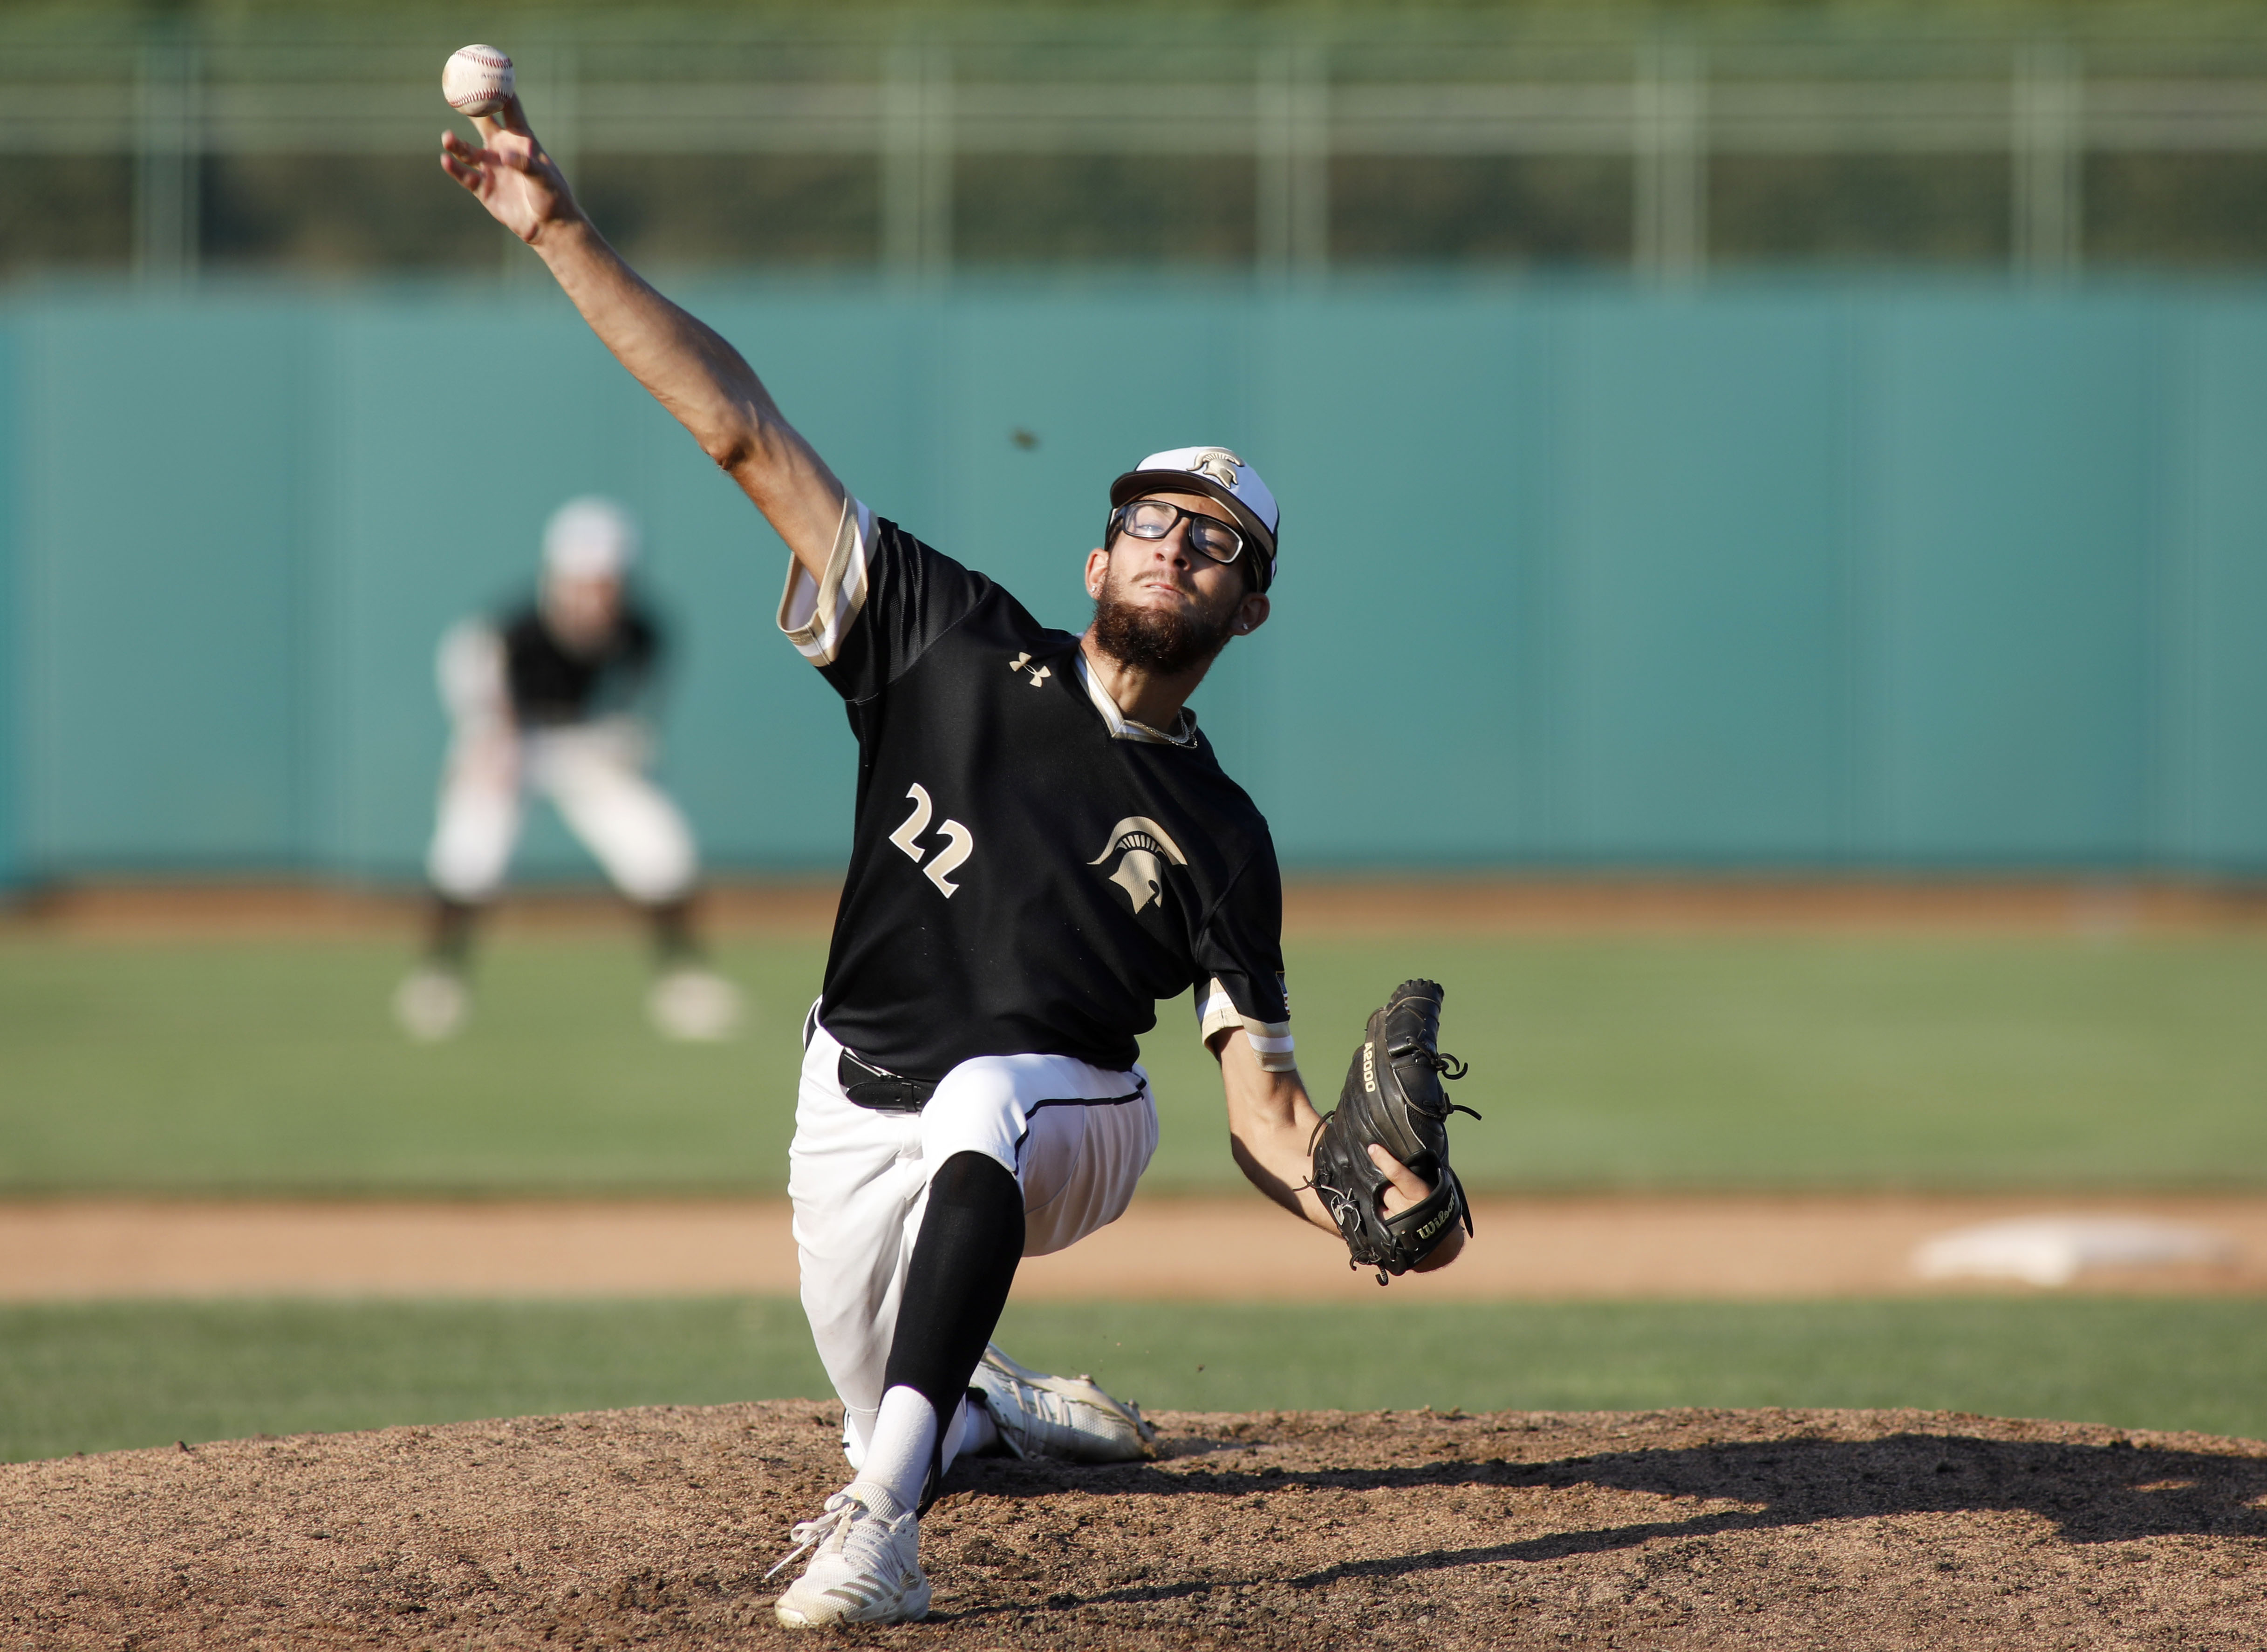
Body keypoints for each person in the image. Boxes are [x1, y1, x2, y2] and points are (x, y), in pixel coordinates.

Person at [439, 88, 1465, 1627]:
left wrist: (1368, 1208)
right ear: (1096, 555)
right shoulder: (947, 641)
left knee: (985, 1112)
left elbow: (1261, 1108)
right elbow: (738, 430)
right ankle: (976, 1405)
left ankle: (883, 1533)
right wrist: (561, 232)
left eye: (1218, 543)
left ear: (1248, 608)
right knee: (891, 1401)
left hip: (1074, 1117)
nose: (1177, 546)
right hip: (848, 1096)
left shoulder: (1220, 833)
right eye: (1152, 519)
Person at [393, 496, 744, 1044]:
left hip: (584, 741)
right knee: (471, 850)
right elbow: (477, 687)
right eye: (584, 580)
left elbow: (633, 709)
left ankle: (683, 981)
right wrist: (490, 741)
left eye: (607, 582)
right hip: (514, 739)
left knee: (658, 846)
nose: (596, 594)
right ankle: (439, 978)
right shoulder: (513, 629)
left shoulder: (643, 631)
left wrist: (624, 741)